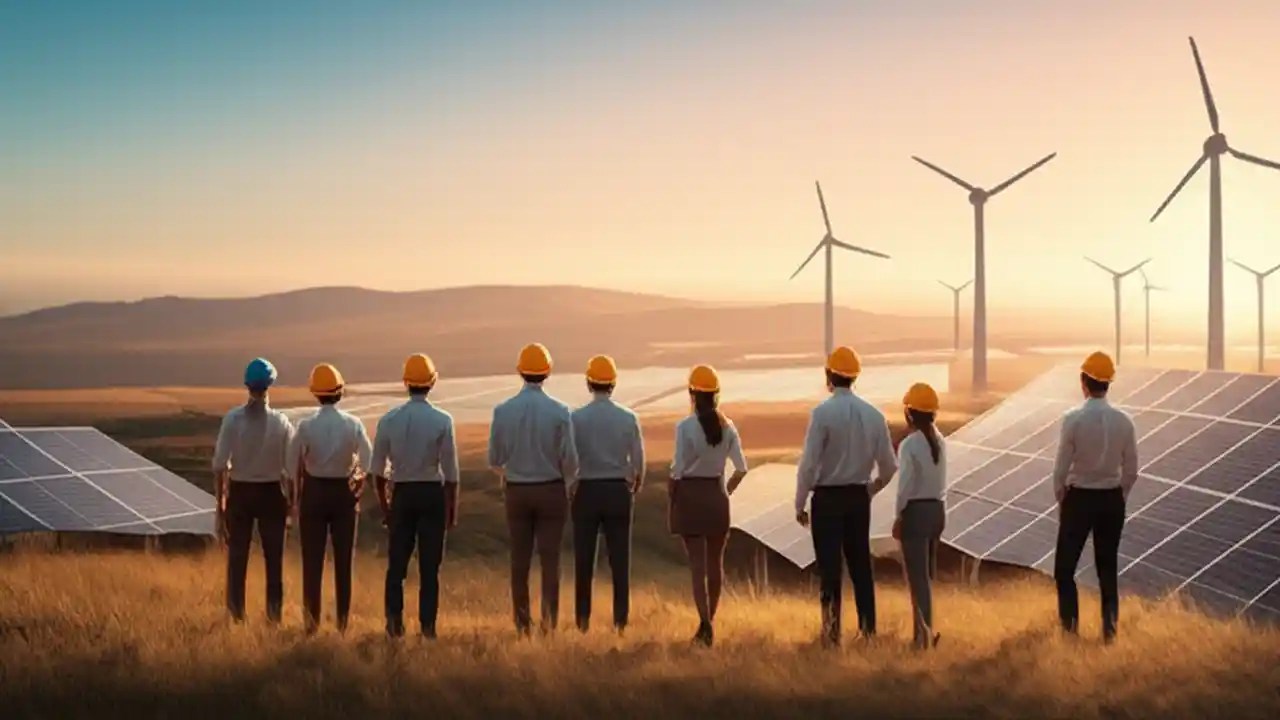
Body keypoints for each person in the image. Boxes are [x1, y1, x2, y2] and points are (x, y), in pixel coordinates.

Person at [794, 346, 897, 645]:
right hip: (858, 499)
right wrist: (871, 488)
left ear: (829, 374)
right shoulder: (875, 416)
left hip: (827, 500)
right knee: (861, 567)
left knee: (829, 570)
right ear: (855, 377)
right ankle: (868, 631)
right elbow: (890, 467)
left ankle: (831, 634)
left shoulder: (822, 414)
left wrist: (800, 503)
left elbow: (809, 464)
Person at [488, 342, 578, 636]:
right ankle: (549, 625)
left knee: (519, 560)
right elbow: (571, 460)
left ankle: (522, 624)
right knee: (551, 561)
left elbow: (494, 459)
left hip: (517, 491)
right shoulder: (560, 411)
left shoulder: (502, 411)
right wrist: (566, 483)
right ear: (547, 372)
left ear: (520, 371)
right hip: (551, 490)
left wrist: (510, 472)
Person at [370, 353, 460, 639]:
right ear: (432, 383)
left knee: (396, 566)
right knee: (430, 569)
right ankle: (428, 629)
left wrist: (386, 507)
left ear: (405, 382)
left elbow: (377, 472)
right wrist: (451, 510)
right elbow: (451, 474)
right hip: (432, 494)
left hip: (402, 494)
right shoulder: (443, 420)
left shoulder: (388, 420)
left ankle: (394, 626)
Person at [1052, 351, 1138, 643]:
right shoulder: (1125, 422)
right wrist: (1119, 495)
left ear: (1083, 382)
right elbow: (1132, 470)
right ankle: (1109, 633)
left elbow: (1060, 470)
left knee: (1065, 569)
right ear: (1109, 384)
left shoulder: (1072, 419)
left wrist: (1063, 500)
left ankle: (1070, 632)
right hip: (1111, 500)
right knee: (1107, 570)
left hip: (1079, 499)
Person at [287, 362, 371, 634]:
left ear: (315, 392)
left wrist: (296, 497)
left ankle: (311, 625)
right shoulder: (353, 424)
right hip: (343, 494)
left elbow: (291, 465)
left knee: (312, 563)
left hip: (314, 493)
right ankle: (342, 625)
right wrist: (358, 478)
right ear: (340, 391)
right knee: (344, 563)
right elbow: (367, 458)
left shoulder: (305, 426)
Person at [668, 364, 748, 647]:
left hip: (691, 495)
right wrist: (726, 491)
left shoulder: (684, 427)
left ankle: (704, 622)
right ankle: (709, 621)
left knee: (697, 567)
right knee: (716, 564)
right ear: (716, 394)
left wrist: (673, 499)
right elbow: (741, 469)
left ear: (692, 394)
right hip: (716, 496)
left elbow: (677, 470)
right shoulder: (728, 427)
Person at [213, 357, 295, 624]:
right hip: (272, 494)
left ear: (247, 385)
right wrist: (292, 504)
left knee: (237, 559)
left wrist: (220, 506)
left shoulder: (232, 420)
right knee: (274, 560)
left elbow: (220, 466)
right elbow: (291, 469)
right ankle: (274, 618)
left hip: (240, 493)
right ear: (270, 385)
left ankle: (236, 615)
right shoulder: (281, 423)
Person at [570, 355, 645, 634]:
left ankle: (582, 622)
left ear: (589, 383)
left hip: (587, 490)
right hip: (617, 491)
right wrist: (634, 485)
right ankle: (620, 622)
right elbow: (638, 461)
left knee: (583, 560)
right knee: (620, 561)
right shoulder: (628, 417)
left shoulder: (575, 418)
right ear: (613, 383)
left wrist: (571, 486)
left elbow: (569, 458)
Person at [892, 382, 946, 650]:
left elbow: (905, 487)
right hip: (937, 511)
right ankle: (924, 633)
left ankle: (922, 638)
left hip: (916, 512)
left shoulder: (910, 445)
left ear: (909, 413)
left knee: (917, 579)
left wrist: (898, 516)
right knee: (925, 577)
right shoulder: (940, 441)